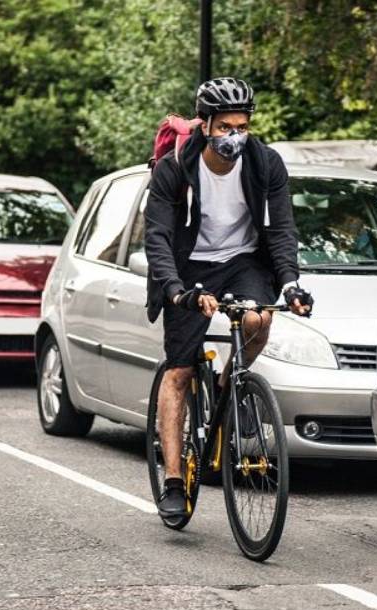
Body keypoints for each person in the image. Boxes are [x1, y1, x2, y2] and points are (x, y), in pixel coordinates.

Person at [144, 77, 314, 521]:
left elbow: (281, 230)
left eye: (242, 125)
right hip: (187, 265)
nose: (234, 135)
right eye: (225, 127)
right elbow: (158, 237)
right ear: (205, 125)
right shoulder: (175, 169)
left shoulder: (265, 164)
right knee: (178, 372)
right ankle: (175, 481)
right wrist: (177, 291)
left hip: (242, 261)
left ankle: (231, 386)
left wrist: (291, 282)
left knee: (258, 320)